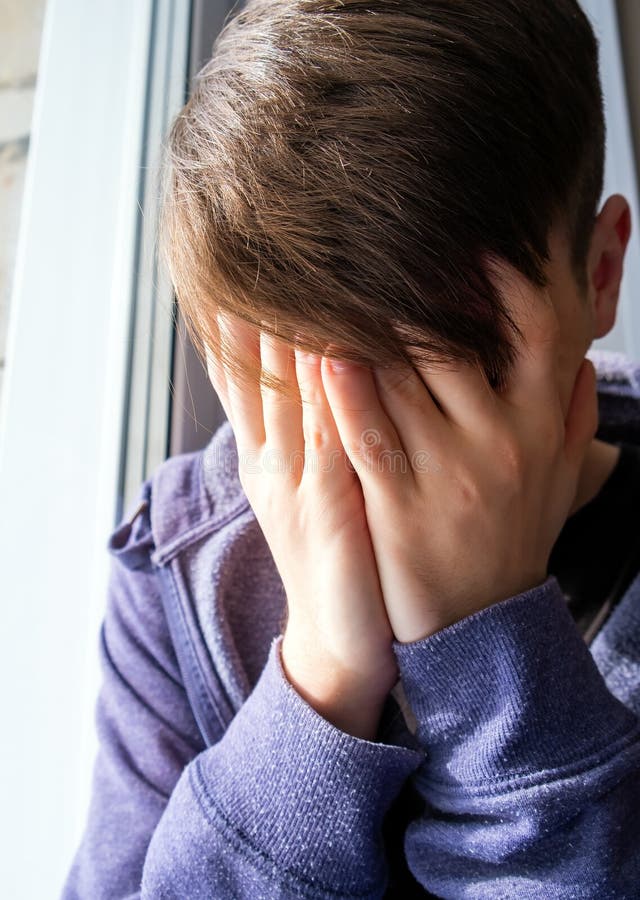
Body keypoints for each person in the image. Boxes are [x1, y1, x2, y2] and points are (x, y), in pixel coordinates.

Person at [61, 1, 640, 896]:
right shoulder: (177, 567)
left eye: (443, 376)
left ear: (598, 276)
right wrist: (320, 675)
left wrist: (487, 656)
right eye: (299, 383)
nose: (372, 455)